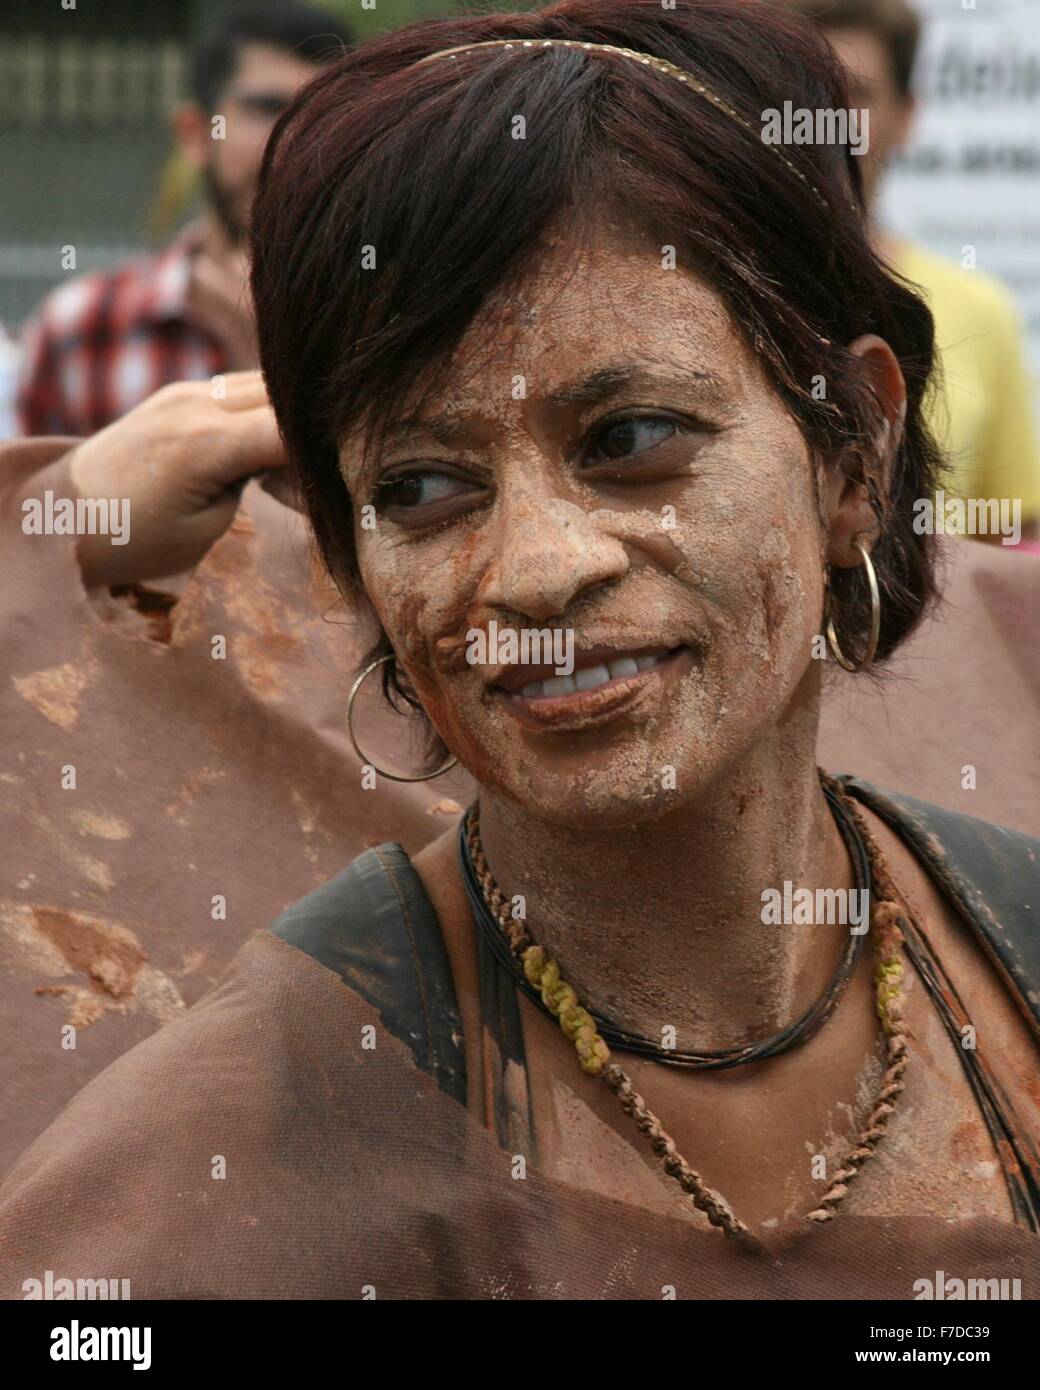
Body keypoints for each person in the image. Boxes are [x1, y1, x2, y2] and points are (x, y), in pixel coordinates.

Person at [1, 0, 1038, 1299]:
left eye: (630, 438)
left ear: (857, 455)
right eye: (426, 486)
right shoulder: (255, 1137)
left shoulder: (1011, 953)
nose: (538, 571)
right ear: (350, 568)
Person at [14, 3, 353, 438]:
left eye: (327, 113)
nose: (297, 140)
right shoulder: (83, 330)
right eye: (268, 108)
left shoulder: (388, 324)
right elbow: (38, 503)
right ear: (195, 134)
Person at [785, 0, 1040, 541]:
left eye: (855, 94)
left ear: (907, 116)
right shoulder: (715, 286)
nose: (826, 119)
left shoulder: (978, 307)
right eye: (802, 89)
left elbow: (1011, 535)